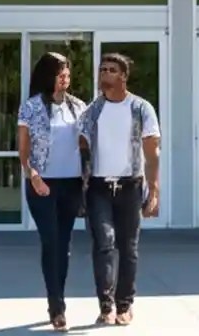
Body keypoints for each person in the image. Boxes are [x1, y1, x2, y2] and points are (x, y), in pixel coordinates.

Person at [76, 52, 160, 327]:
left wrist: (154, 191)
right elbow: (80, 144)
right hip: (99, 186)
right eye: (102, 70)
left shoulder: (141, 108)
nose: (105, 74)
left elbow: (152, 152)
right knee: (103, 244)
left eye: (111, 70)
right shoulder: (92, 111)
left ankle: (125, 304)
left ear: (124, 76)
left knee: (128, 248)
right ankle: (106, 305)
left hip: (130, 186)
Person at [17, 51, 88, 332]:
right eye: (60, 73)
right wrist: (32, 174)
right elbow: (23, 150)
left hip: (71, 184)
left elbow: (86, 143)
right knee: (51, 241)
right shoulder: (31, 107)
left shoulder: (79, 107)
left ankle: (58, 299)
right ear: (48, 75)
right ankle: (56, 305)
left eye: (68, 73)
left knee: (64, 244)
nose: (65, 78)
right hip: (42, 183)